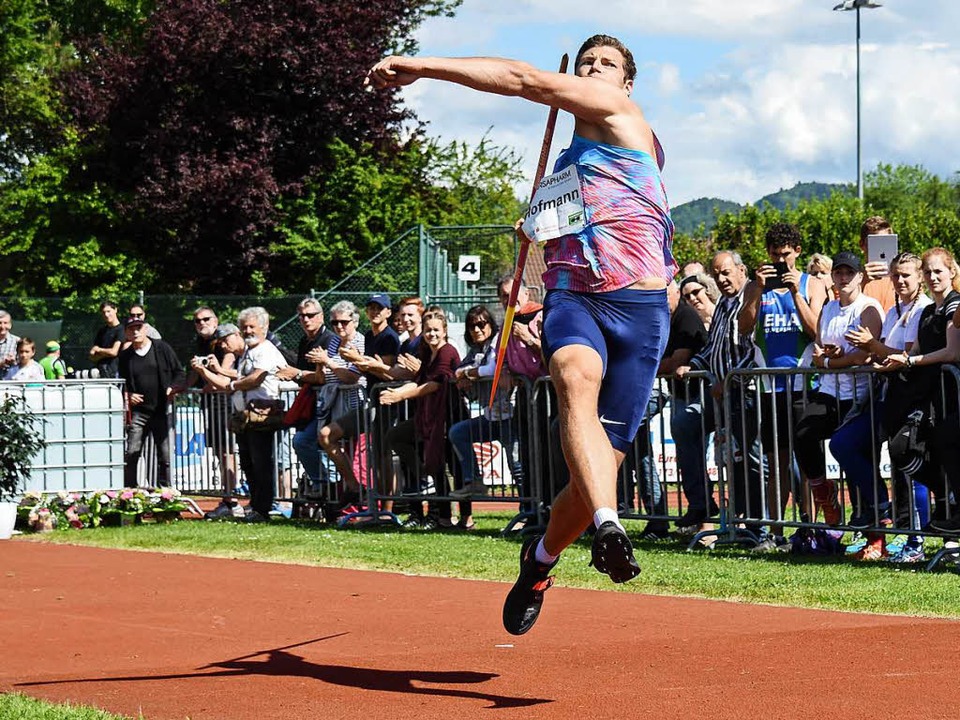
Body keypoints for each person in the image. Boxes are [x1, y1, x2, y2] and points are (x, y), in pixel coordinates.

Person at [368, 33, 675, 634]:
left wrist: (422, 66)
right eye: (586, 63)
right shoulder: (568, 166)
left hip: (640, 307)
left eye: (606, 65)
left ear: (627, 85)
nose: (592, 71)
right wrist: (536, 230)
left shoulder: (623, 116)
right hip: (576, 300)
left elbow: (523, 79)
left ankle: (540, 560)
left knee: (589, 483)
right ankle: (610, 527)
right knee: (572, 376)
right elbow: (552, 241)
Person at [835, 251, 933, 562]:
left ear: (919, 277)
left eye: (906, 275)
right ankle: (881, 508)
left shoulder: (923, 310)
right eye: (896, 275)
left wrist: (872, 347)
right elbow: (883, 356)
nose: (900, 280)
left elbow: (903, 357)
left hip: (916, 399)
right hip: (888, 398)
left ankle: (917, 541)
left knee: (911, 468)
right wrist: (863, 352)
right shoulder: (894, 311)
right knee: (844, 443)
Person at [738, 222, 828, 551]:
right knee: (775, 463)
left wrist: (794, 292)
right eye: (775, 255)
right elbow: (744, 328)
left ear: (798, 253)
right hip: (769, 386)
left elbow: (818, 330)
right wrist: (758, 291)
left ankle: (807, 526)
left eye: (786, 255)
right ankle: (774, 531)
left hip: (805, 383)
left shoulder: (813, 284)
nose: (781, 262)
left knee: (807, 461)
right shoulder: (755, 286)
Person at [793, 253, 882, 547]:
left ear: (859, 277)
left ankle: (870, 531)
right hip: (830, 390)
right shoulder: (829, 309)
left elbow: (866, 355)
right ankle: (824, 493)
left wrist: (833, 361)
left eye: (849, 274)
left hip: (858, 392)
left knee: (855, 456)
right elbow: (819, 351)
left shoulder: (868, 308)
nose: (843, 279)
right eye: (839, 273)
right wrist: (830, 357)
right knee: (804, 434)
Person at [673, 251, 758, 533]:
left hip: (747, 391)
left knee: (751, 456)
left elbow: (753, 349)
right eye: (717, 273)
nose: (722, 279)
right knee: (685, 423)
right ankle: (701, 504)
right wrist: (692, 365)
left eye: (726, 272)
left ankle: (758, 521)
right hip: (719, 393)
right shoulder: (723, 304)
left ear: (741, 270)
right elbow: (714, 346)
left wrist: (731, 380)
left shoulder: (752, 297)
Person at [882, 249, 960, 536]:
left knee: (946, 445)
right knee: (903, 448)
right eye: (928, 272)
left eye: (938, 271)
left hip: (951, 397)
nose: (933, 276)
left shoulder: (955, 306)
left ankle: (950, 511)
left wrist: (912, 360)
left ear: (952, 272)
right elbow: (914, 349)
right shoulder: (928, 311)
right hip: (928, 398)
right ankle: (944, 499)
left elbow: (951, 352)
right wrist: (895, 360)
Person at [193, 309, 288, 522]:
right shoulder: (248, 351)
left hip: (262, 415)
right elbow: (238, 377)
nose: (247, 331)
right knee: (248, 462)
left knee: (261, 462)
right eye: (244, 327)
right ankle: (255, 505)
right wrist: (207, 372)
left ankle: (262, 508)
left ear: (264, 327)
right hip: (245, 416)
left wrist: (233, 384)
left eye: (251, 327)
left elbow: (255, 378)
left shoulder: (265, 350)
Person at [320, 293, 402, 517]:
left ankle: (386, 509)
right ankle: (357, 490)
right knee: (327, 435)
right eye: (371, 308)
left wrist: (356, 360)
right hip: (371, 401)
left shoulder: (389, 337)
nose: (375, 312)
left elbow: (387, 372)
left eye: (379, 308)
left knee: (383, 456)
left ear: (388, 312)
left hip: (386, 401)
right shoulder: (369, 336)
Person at [380, 310, 461, 530]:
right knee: (396, 436)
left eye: (436, 330)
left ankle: (443, 515)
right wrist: (394, 393)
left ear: (444, 331)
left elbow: (436, 383)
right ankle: (423, 475)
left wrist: (401, 395)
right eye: (428, 330)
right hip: (426, 415)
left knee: (444, 466)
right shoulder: (427, 352)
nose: (431, 334)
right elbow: (419, 380)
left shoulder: (447, 351)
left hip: (446, 416)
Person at [447, 306, 510, 529]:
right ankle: (475, 481)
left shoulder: (499, 344)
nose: (476, 329)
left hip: (511, 414)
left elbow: (491, 370)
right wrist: (464, 380)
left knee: (517, 466)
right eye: (472, 326)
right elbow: (459, 372)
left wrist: (469, 374)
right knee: (458, 432)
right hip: (490, 416)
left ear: (491, 326)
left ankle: (531, 512)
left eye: (481, 324)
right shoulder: (475, 351)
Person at [274, 298, 338, 495]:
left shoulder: (329, 339)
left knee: (304, 441)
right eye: (302, 316)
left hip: (332, 402)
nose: (306, 319)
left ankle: (329, 486)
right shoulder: (305, 341)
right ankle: (324, 487)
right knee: (304, 442)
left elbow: (325, 377)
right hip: (312, 402)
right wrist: (300, 375)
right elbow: (306, 376)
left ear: (320, 316)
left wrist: (298, 374)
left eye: (310, 315)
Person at [183, 307, 242, 519]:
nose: (201, 324)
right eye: (197, 321)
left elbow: (222, 378)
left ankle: (232, 499)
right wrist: (181, 387)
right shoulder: (199, 343)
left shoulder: (223, 342)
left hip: (226, 403)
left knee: (227, 452)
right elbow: (194, 375)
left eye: (206, 319)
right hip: (209, 405)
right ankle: (228, 498)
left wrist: (206, 374)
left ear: (215, 321)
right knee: (219, 451)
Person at [117, 317, 184, 488]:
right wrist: (128, 395)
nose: (135, 331)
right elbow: (121, 384)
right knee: (132, 453)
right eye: (131, 329)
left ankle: (166, 495)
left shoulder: (161, 348)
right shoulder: (125, 356)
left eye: (138, 327)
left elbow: (179, 372)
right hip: (139, 412)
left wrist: (173, 387)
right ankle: (130, 495)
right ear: (126, 333)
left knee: (165, 456)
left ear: (146, 329)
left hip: (161, 410)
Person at [860, 215, 897, 313]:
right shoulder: (851, 276)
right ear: (862, 245)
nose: (882, 249)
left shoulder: (903, 277)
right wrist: (862, 281)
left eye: (885, 242)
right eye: (876, 243)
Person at [89, 301, 124, 378]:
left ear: (115, 310)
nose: (106, 315)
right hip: (100, 373)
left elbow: (114, 352)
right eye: (103, 312)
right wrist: (102, 353)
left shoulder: (121, 330)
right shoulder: (102, 331)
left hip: (116, 373)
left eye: (108, 311)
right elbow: (92, 355)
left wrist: (99, 350)